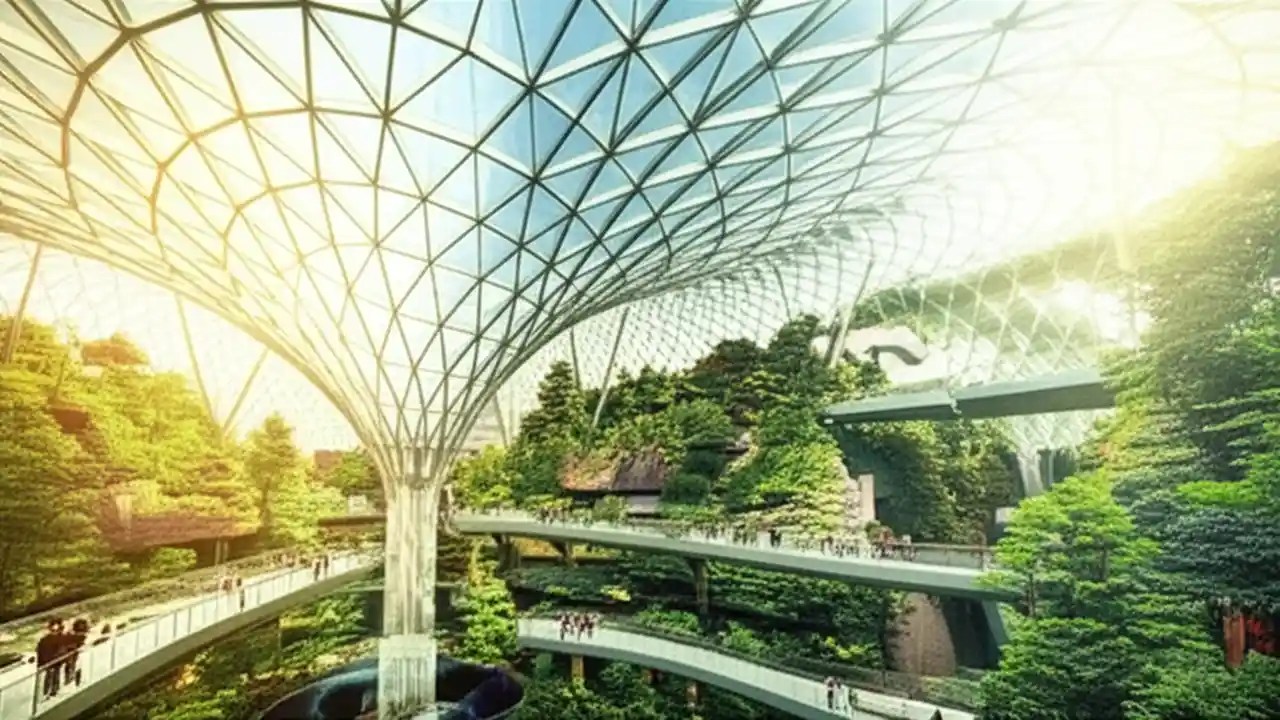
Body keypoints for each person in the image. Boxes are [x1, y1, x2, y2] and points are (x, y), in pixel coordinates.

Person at [36, 619, 63, 699]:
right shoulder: (44, 640)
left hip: (55, 660)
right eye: (53, 630)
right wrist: (40, 664)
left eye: (56, 630)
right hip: (49, 661)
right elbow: (40, 651)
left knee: (55, 674)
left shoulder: (60, 638)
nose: (55, 632)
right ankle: (47, 692)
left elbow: (62, 649)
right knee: (49, 675)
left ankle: (54, 690)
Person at [63, 619, 89, 687]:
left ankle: (72, 679)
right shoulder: (72, 635)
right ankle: (69, 678)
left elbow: (80, 643)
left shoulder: (81, 636)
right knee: (71, 664)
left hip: (74, 652)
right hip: (71, 652)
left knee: (74, 664)